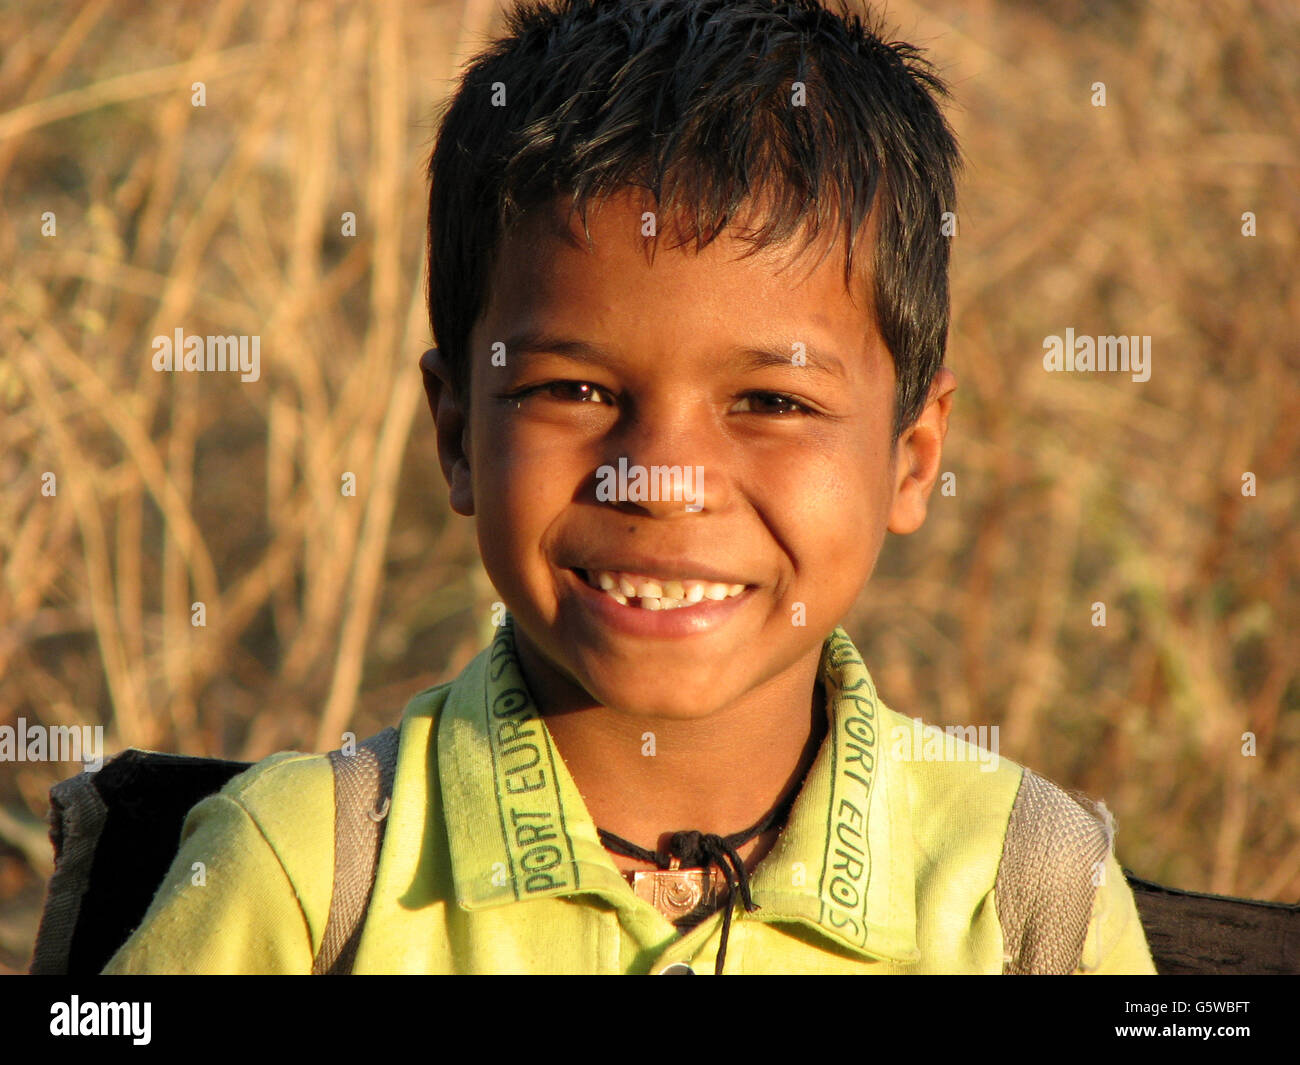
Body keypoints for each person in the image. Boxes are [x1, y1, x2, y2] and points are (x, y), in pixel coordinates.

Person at [104, 0, 1156, 974]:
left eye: (772, 403)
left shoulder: (1027, 900)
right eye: (574, 389)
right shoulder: (314, 874)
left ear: (911, 457)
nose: (662, 480)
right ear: (457, 434)